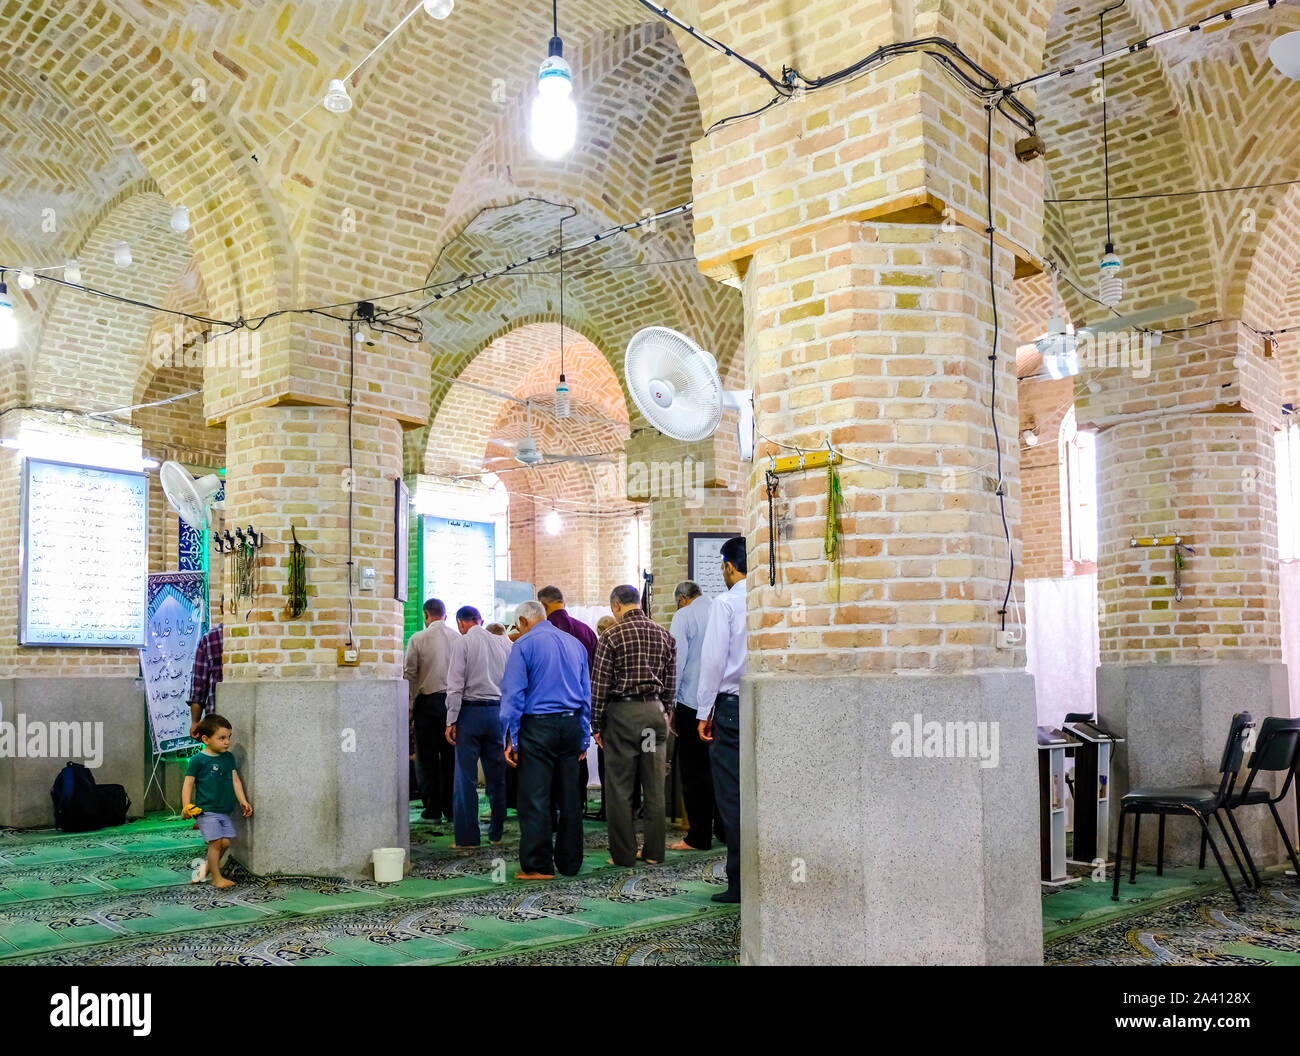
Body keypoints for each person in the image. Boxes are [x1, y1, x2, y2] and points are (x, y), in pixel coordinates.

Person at [499, 600, 591, 879]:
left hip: (538, 727)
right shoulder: (576, 645)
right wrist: (584, 737)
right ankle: (570, 862)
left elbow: (513, 697)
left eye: (518, 625)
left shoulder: (523, 646)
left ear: (525, 622)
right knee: (571, 797)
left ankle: (539, 865)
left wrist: (512, 738)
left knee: (536, 797)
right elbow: (586, 695)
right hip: (571, 726)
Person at [591, 584, 676, 868]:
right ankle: (654, 853)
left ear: (616, 605)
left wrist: (595, 724)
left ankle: (624, 855)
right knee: (654, 787)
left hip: (623, 716)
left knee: (619, 789)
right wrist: (665, 712)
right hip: (653, 715)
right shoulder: (664, 634)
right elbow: (671, 683)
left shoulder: (611, 636)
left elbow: (600, 685)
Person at [697, 536, 748, 903]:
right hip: (765, 703)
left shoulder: (727, 602)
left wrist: (704, 712)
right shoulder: (770, 597)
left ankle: (740, 882)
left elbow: (714, 662)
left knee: (732, 798)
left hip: (730, 707)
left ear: (729, 566)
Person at [445, 605, 511, 849]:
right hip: (498, 712)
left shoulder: (463, 643)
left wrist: (451, 719)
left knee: (465, 777)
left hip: (470, 713)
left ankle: (467, 839)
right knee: (496, 776)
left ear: (461, 623)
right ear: (480, 620)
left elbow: (455, 685)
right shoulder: (503, 644)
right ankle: (496, 833)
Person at [668, 580, 718, 851]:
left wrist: (671, 704)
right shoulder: (719, 608)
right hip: (721, 702)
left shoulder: (684, 615)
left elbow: (677, 661)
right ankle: (723, 830)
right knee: (719, 769)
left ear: (682, 599)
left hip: (691, 701)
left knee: (694, 771)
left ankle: (698, 836)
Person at [538, 585, 597, 813]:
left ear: (543, 606)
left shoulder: (541, 633)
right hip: (579, 707)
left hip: (547, 712)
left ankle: (551, 815)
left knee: (550, 767)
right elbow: (596, 673)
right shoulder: (586, 631)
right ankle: (576, 809)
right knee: (577, 759)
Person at [182, 714, 252, 890]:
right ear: (206, 739)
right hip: (206, 810)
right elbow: (188, 783)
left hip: (223, 810)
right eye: (221, 738)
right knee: (215, 843)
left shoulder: (228, 758)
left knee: (225, 843)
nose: (227, 742)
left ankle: (206, 868)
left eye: (229, 737)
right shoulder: (198, 760)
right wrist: (186, 806)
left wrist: (243, 801)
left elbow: (235, 780)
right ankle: (216, 877)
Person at [404, 598, 455, 828]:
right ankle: (452, 808)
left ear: (426, 615)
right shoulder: (458, 638)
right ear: (444, 614)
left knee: (427, 758)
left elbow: (410, 675)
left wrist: (411, 706)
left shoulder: (418, 638)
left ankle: (432, 809)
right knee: (451, 758)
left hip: (428, 703)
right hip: (453, 703)